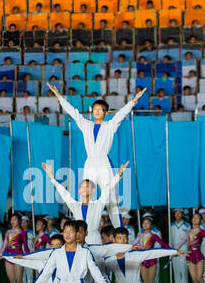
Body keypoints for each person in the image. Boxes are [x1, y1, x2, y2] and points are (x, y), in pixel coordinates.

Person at [46, 84, 146, 227]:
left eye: (101, 110)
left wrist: (134, 100)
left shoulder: (110, 125)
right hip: (90, 163)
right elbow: (73, 112)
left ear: (105, 113)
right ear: (92, 111)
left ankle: (119, 231)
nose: (97, 111)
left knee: (111, 199)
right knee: (86, 197)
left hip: (104, 163)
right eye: (95, 109)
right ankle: (85, 230)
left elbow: (121, 113)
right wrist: (59, 97)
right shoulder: (86, 124)